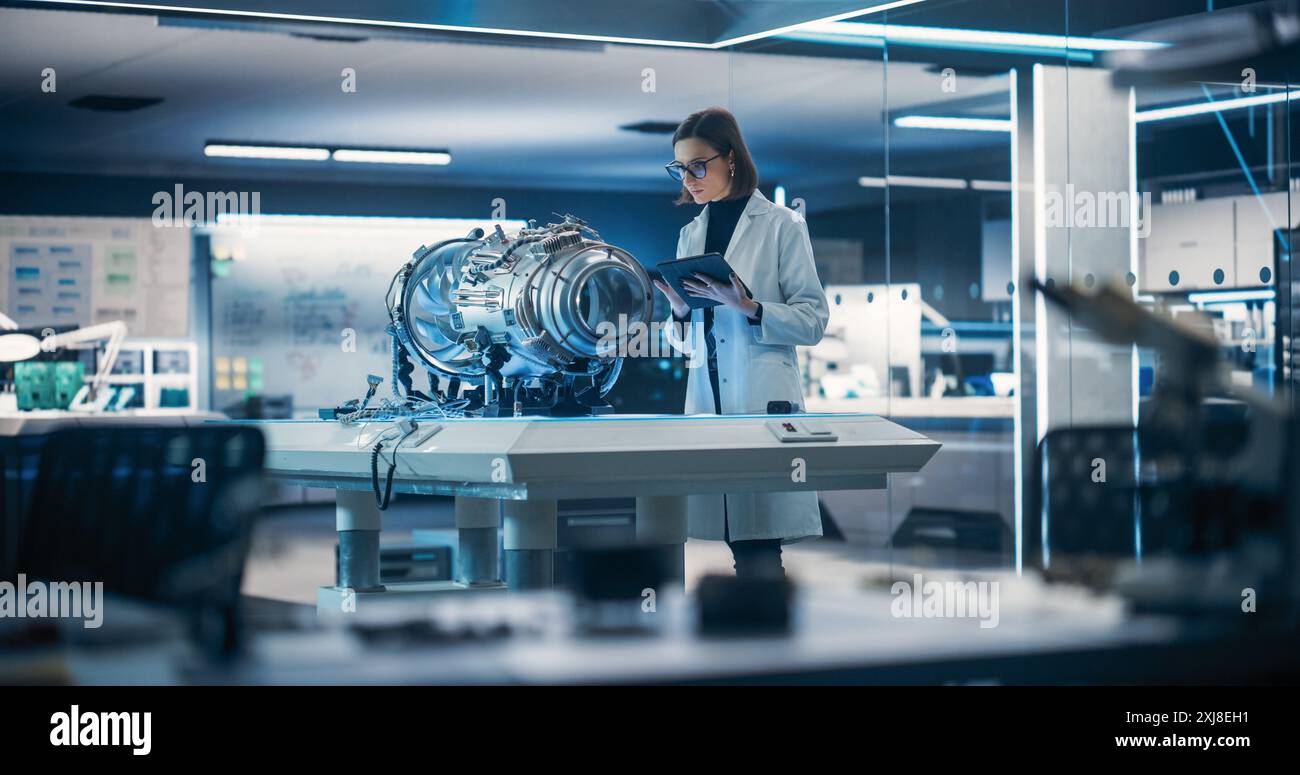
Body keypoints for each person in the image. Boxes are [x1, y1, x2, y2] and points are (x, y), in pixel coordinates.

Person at [654, 107, 830, 578]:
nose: (688, 179)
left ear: (730, 159)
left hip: (761, 398)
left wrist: (750, 307)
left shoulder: (781, 226)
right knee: (737, 535)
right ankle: (748, 634)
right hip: (710, 398)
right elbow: (687, 341)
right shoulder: (691, 233)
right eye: (680, 169)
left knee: (758, 541)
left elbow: (813, 320)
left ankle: (766, 635)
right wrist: (678, 310)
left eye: (697, 166)